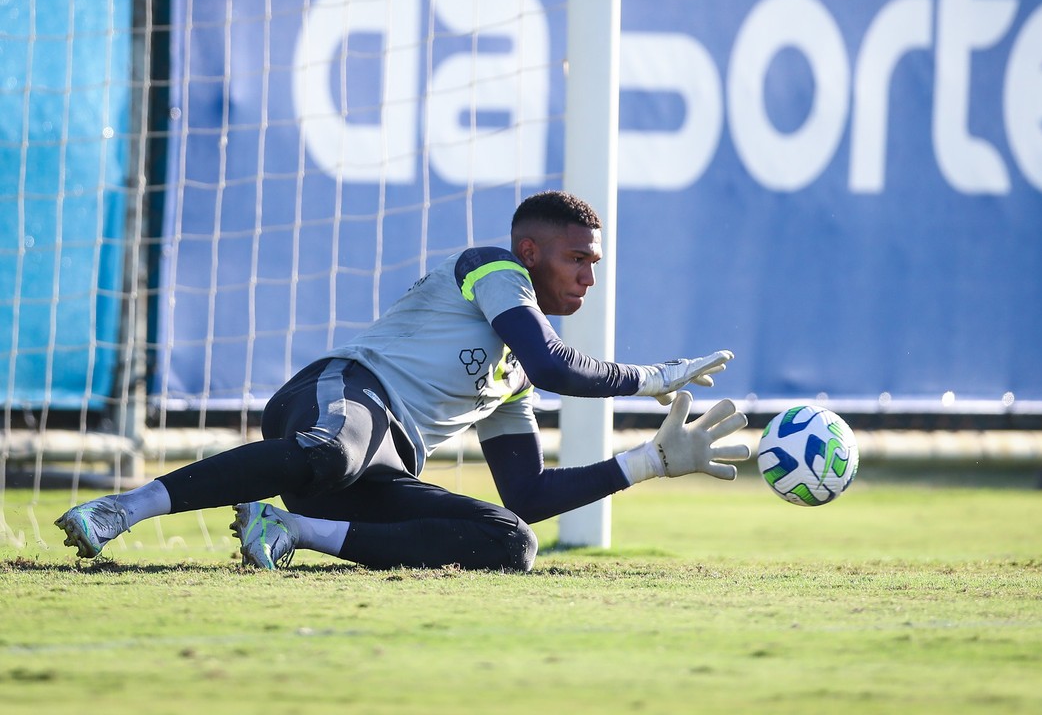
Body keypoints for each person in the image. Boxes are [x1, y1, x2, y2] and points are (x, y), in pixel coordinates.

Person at [55, 190, 749, 572]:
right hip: (342, 395)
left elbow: (530, 496)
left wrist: (649, 462)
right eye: (577, 260)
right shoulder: (494, 269)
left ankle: (294, 530)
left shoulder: (511, 376)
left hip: (376, 469)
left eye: (594, 265)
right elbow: (554, 365)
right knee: (333, 450)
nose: (588, 280)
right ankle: (125, 509)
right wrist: (652, 377)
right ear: (530, 252)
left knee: (511, 543)